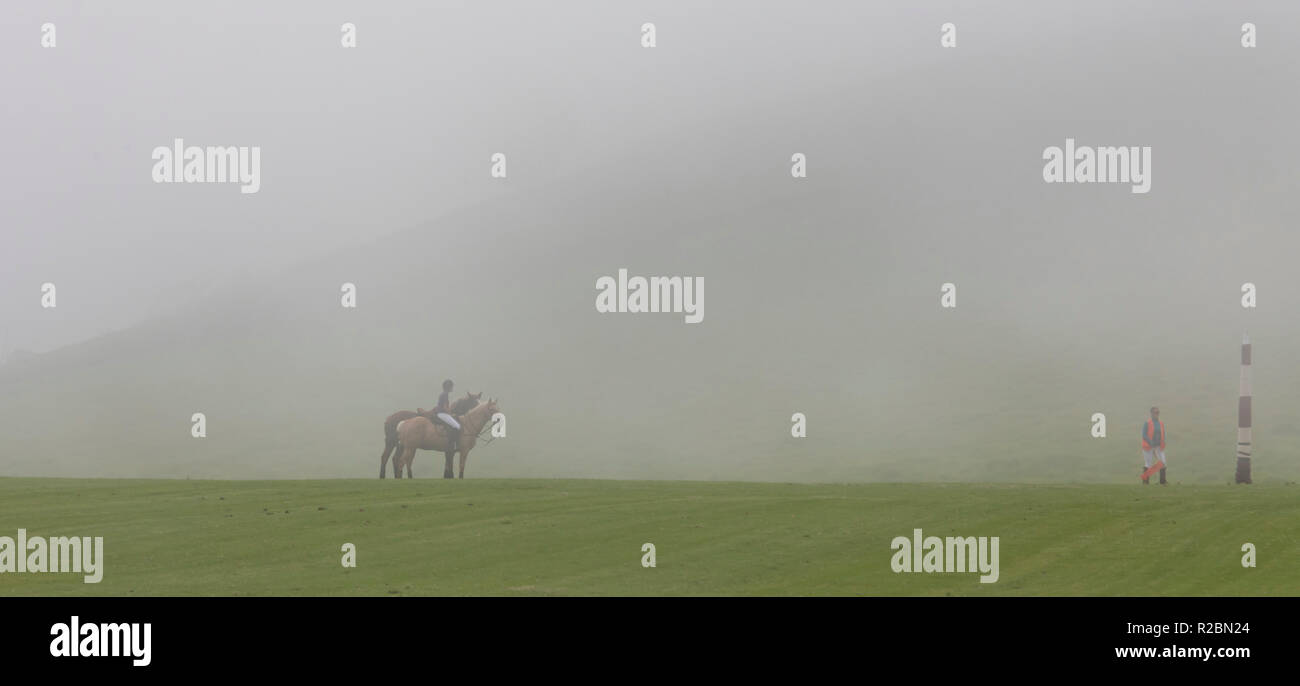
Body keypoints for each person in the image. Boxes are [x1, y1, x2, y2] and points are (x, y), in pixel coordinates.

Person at [1141, 406, 1167, 485]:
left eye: (1158, 413)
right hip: (1148, 447)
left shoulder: (1161, 423)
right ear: (1151, 413)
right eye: (1155, 412)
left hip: (1159, 446)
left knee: (1163, 462)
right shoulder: (1147, 423)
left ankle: (1162, 481)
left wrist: (1162, 442)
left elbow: (1163, 433)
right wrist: (1150, 442)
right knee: (1148, 463)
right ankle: (1145, 481)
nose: (1157, 414)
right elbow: (1144, 435)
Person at [435, 379, 461, 452]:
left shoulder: (443, 394)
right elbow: (445, 407)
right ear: (448, 387)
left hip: (441, 413)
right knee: (457, 426)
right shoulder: (445, 394)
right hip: (442, 414)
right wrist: (451, 413)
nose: (452, 388)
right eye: (451, 386)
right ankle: (455, 445)